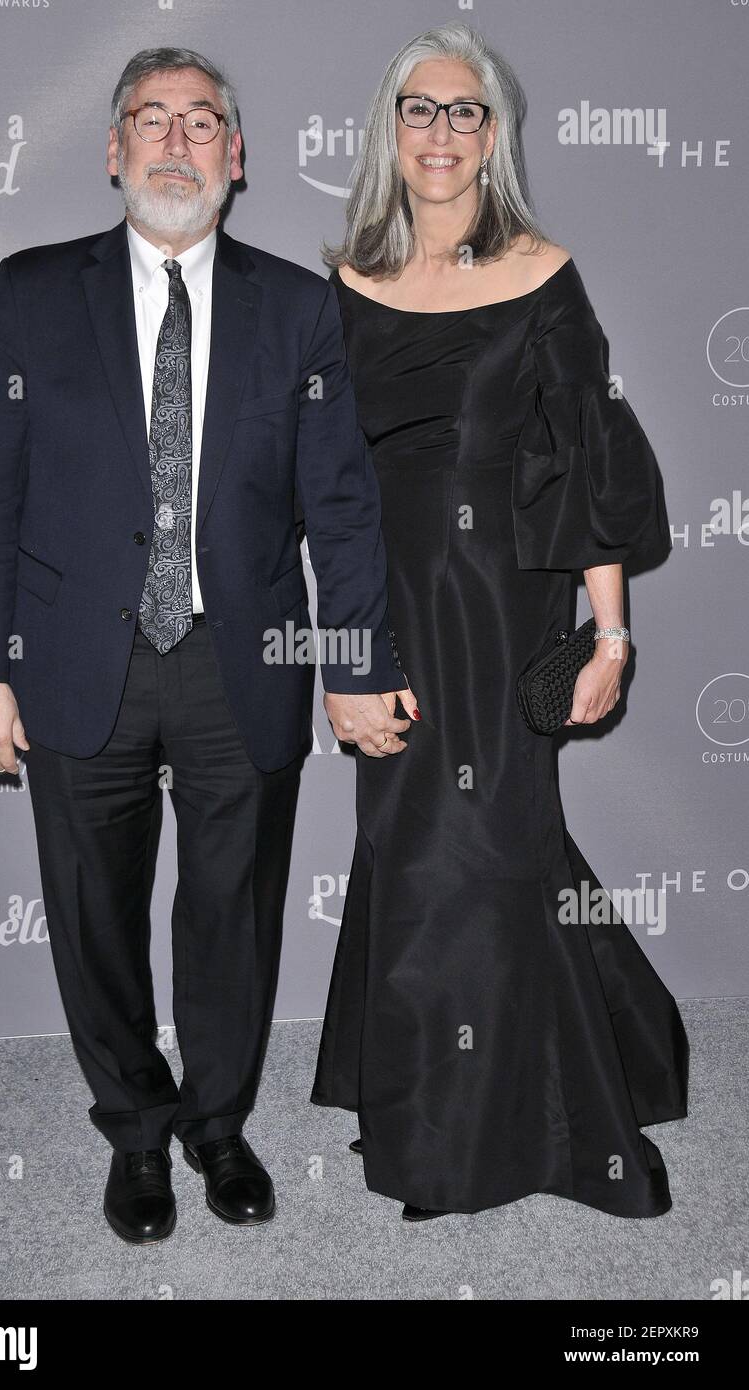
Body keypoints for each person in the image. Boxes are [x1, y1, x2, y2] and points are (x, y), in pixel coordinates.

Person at [0, 45, 416, 1244]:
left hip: (238, 662)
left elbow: (341, 506)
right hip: (69, 662)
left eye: (200, 123)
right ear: (112, 150)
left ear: (236, 156)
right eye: (148, 120)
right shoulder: (32, 290)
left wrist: (355, 663)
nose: (174, 141)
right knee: (93, 917)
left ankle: (216, 1124)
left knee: (230, 913)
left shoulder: (297, 305)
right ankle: (137, 1131)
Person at [311, 22, 689, 1221]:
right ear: (391, 130)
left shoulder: (541, 271)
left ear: (494, 134)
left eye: (463, 110)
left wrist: (608, 635)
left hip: (500, 608)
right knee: (415, 849)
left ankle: (498, 1132)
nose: (439, 130)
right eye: (418, 109)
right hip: (387, 609)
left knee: (488, 850)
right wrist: (341, 648)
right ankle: (477, 1093)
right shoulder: (345, 283)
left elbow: (587, 468)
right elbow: (326, 492)